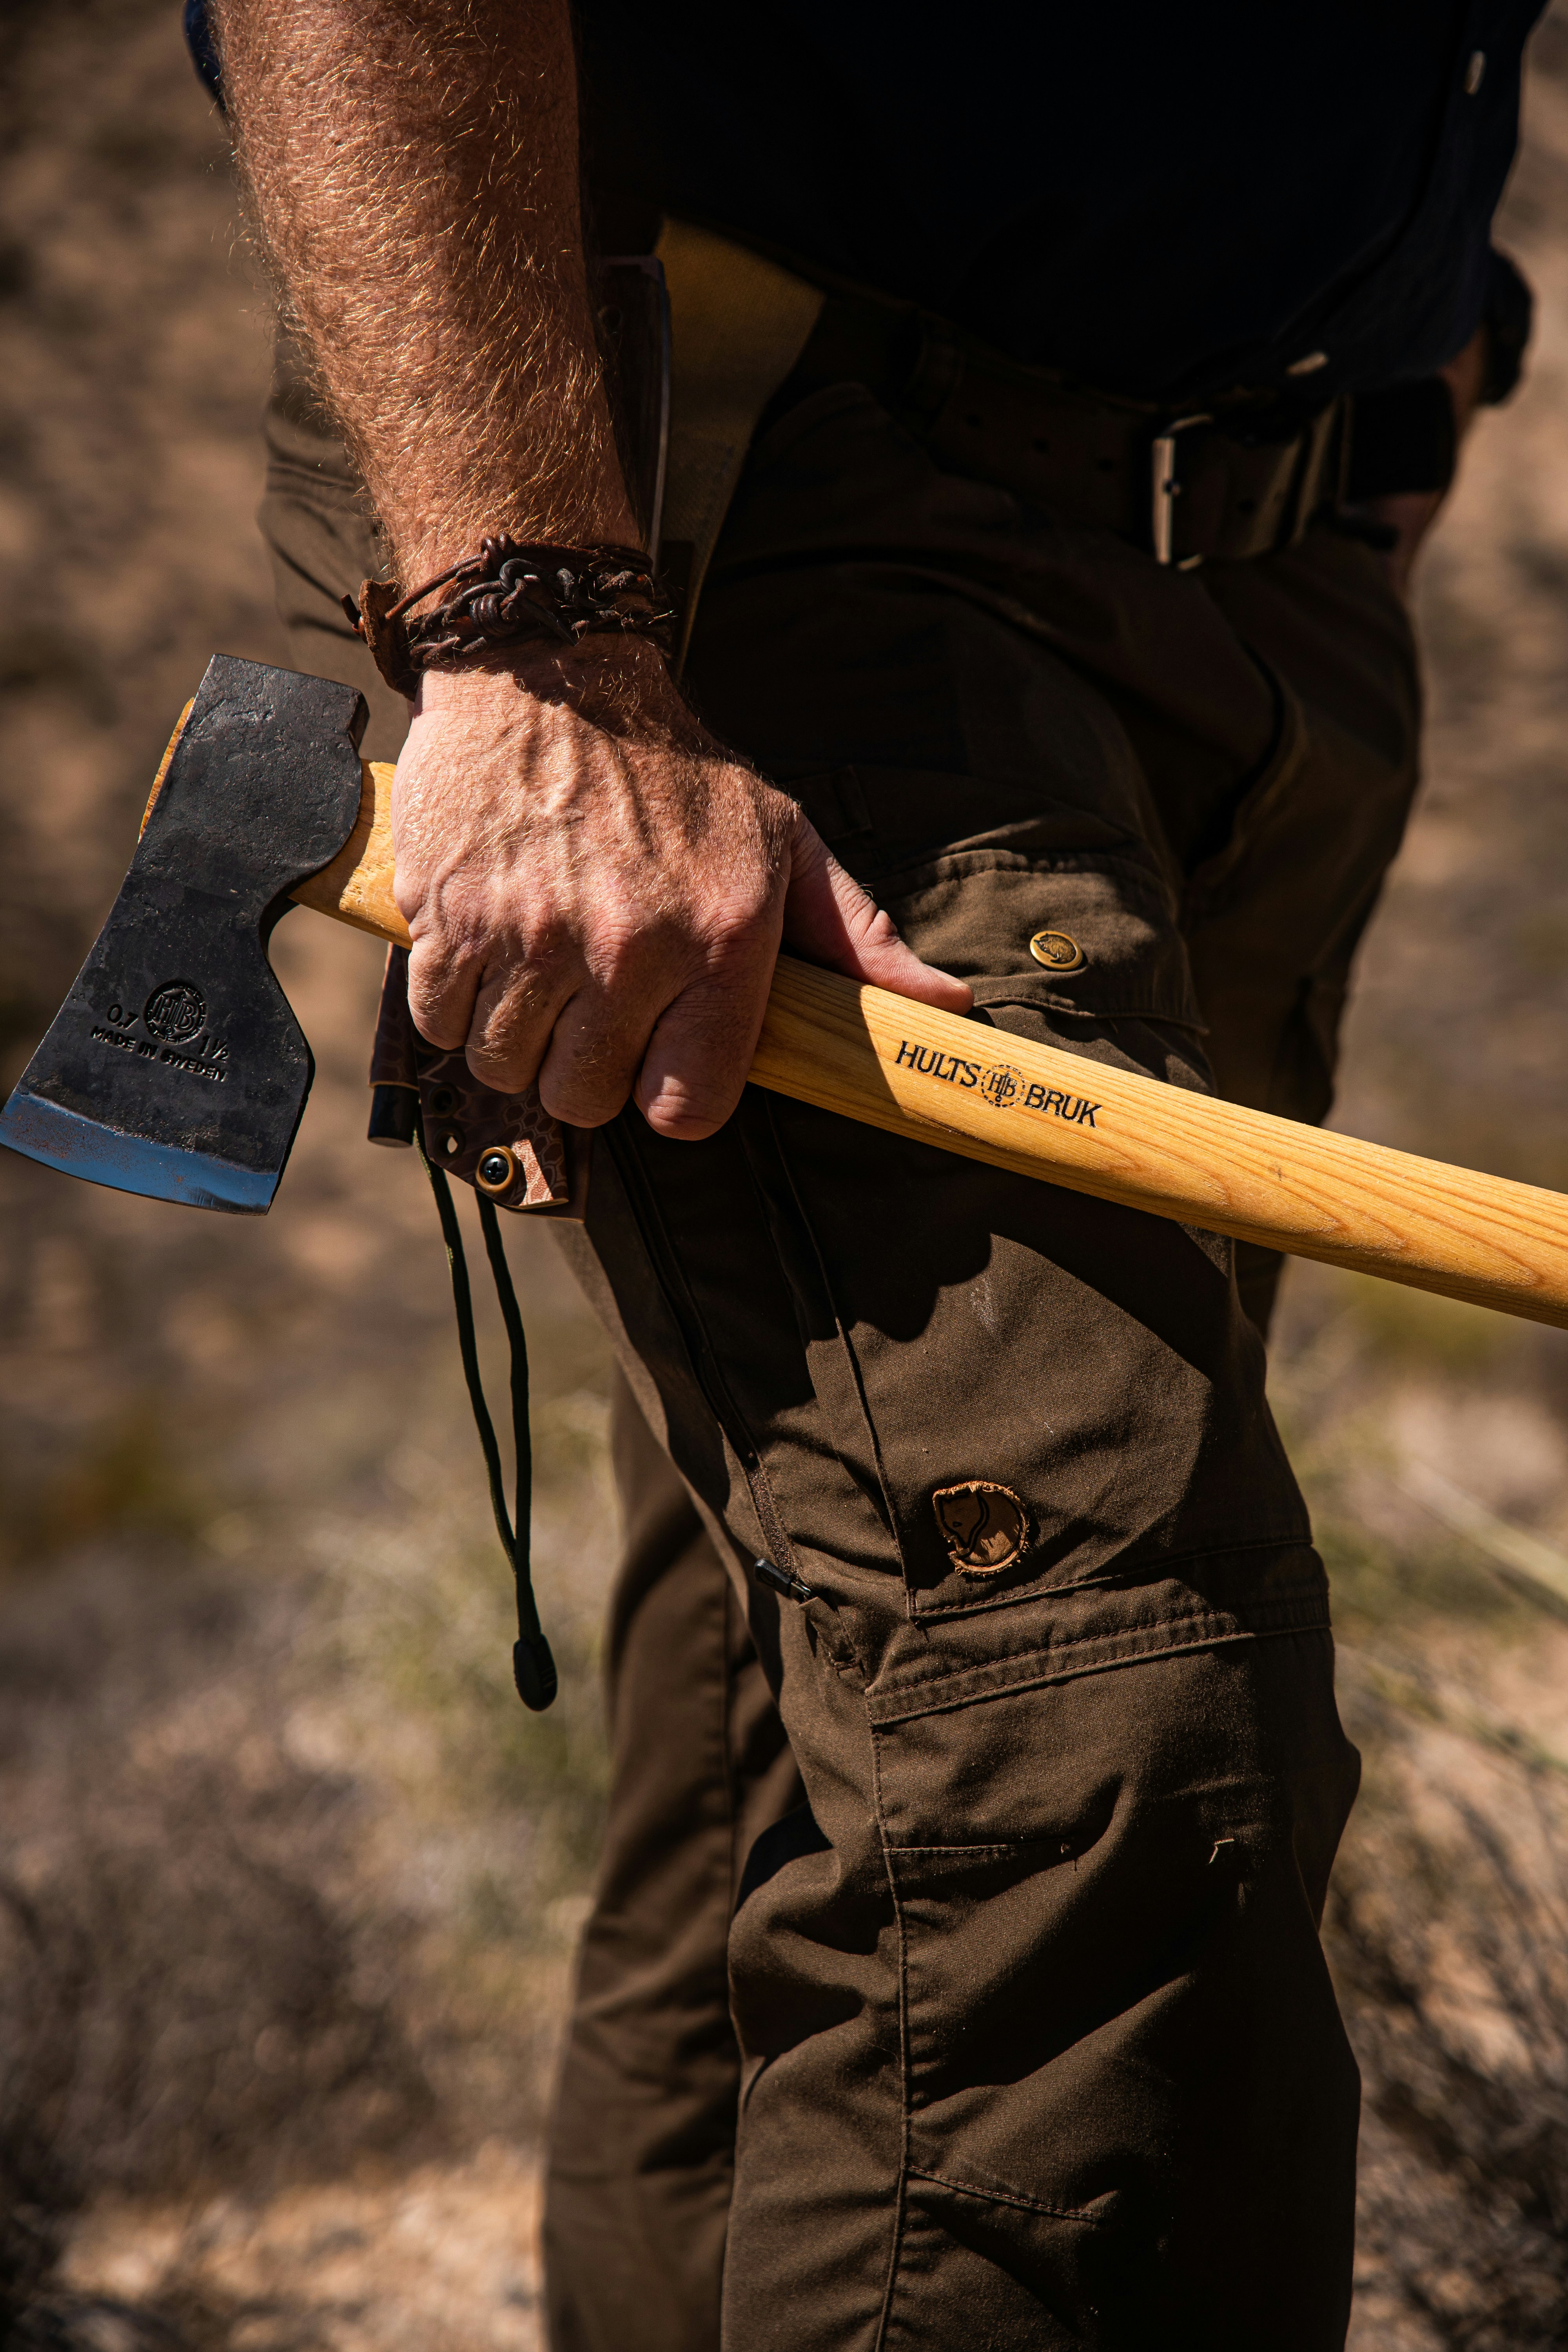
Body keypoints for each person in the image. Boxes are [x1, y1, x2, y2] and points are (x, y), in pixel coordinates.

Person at [203, 5, 1541, 2343]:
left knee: (819, 1724)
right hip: (717, 512)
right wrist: (535, 630)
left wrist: (1418, 358)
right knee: (1078, 1745)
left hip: (1268, 551)